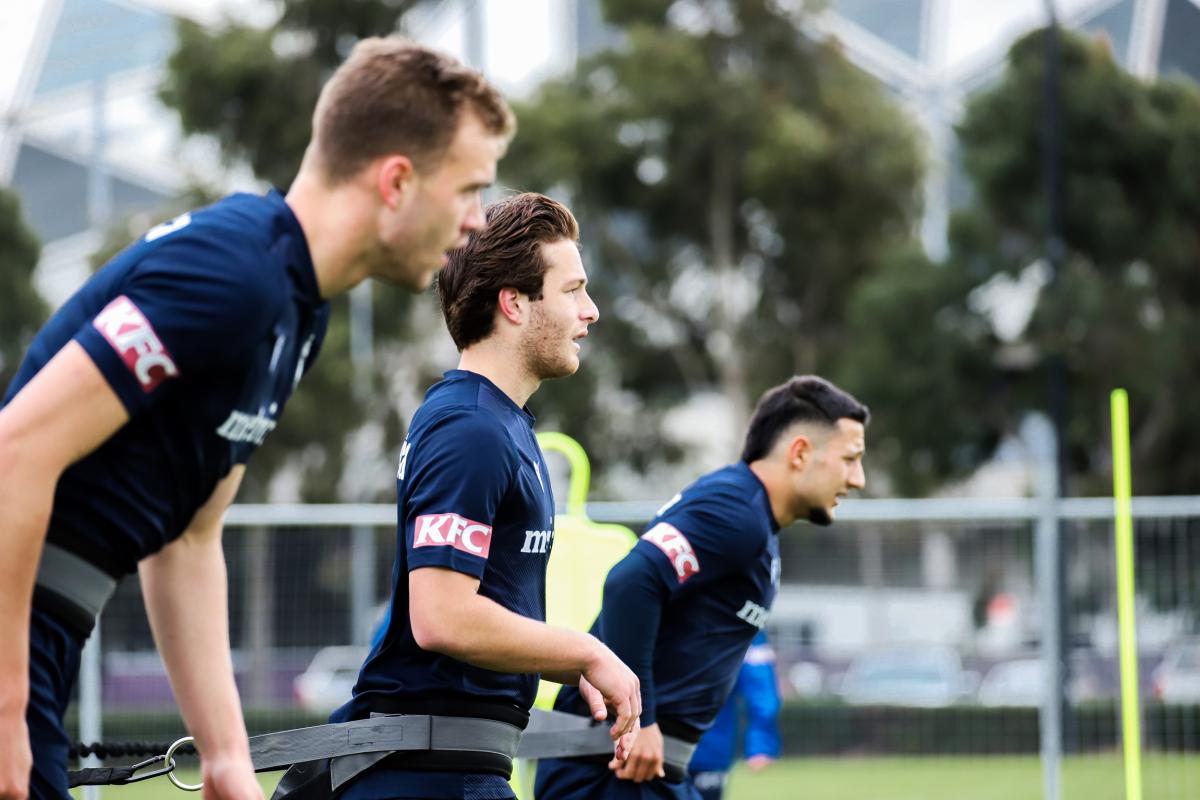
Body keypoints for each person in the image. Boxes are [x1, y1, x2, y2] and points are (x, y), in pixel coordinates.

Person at [0, 37, 514, 800]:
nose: (477, 220)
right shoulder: (236, 272)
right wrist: (8, 707)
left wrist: (225, 756)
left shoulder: (298, 315)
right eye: (470, 188)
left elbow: (192, 536)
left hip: (52, 635)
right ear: (398, 181)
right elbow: (14, 452)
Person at [322, 192, 639, 800]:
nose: (591, 311)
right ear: (514, 302)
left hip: (453, 767)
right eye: (572, 290)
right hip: (426, 777)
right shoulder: (471, 427)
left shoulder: (501, 424)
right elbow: (442, 616)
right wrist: (584, 651)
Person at [535, 375, 868, 800]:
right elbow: (629, 583)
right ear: (800, 452)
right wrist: (644, 721)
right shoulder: (736, 511)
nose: (857, 478)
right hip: (611, 770)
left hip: (645, 770)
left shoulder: (753, 519)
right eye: (850, 458)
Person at [687, 630, 782, 800]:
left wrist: (761, 743)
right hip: (643, 742)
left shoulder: (739, 617)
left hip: (706, 749)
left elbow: (761, 687)